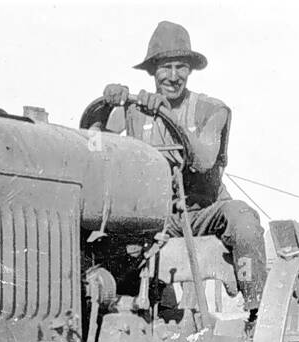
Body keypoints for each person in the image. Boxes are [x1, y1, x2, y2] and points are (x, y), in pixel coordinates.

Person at [102, 21, 267, 310]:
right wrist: (109, 104)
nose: (174, 76)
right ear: (153, 70)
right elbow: (96, 144)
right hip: (157, 218)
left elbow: (203, 160)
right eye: (166, 67)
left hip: (204, 213)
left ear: (190, 70)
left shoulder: (212, 110)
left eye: (181, 67)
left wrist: (166, 112)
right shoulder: (134, 112)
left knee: (244, 218)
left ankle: (257, 309)